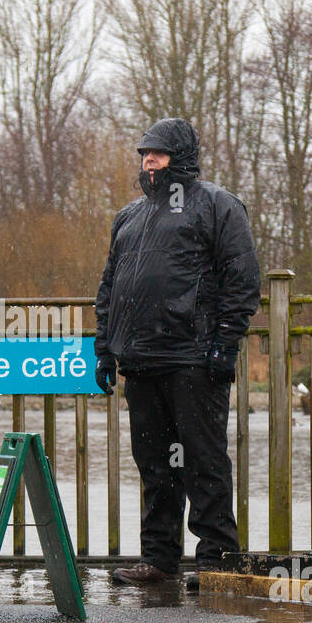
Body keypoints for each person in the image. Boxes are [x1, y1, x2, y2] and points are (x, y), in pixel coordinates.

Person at [94, 118, 260, 585]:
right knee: (155, 464)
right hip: (141, 361)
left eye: (159, 153)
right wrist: (107, 349)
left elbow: (242, 280)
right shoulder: (129, 217)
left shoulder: (217, 205)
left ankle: (217, 562)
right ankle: (160, 559)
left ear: (180, 157)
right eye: (145, 153)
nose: (149, 160)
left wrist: (223, 345)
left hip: (194, 359)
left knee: (203, 460)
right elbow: (110, 286)